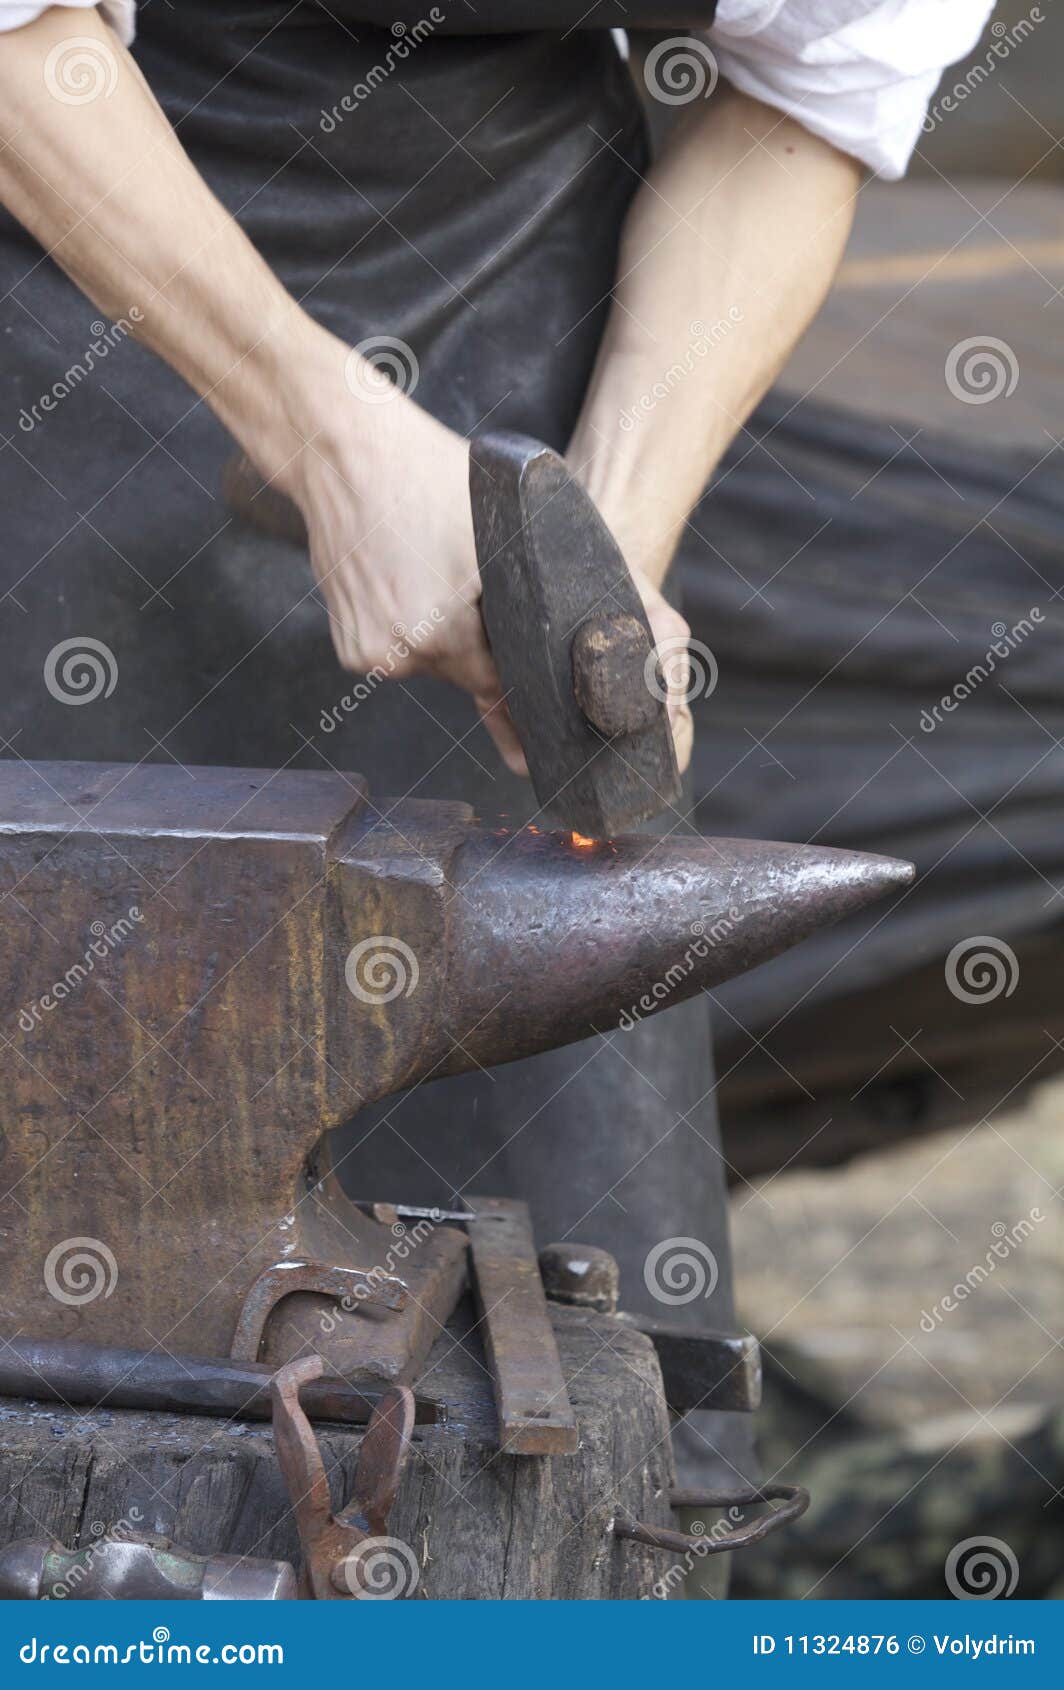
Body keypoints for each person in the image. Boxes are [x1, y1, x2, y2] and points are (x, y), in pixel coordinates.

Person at [0, 0, 993, 1523]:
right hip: (62, 268)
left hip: (509, 276)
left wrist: (597, 540)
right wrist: (319, 429)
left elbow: (801, 99)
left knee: (575, 1278)